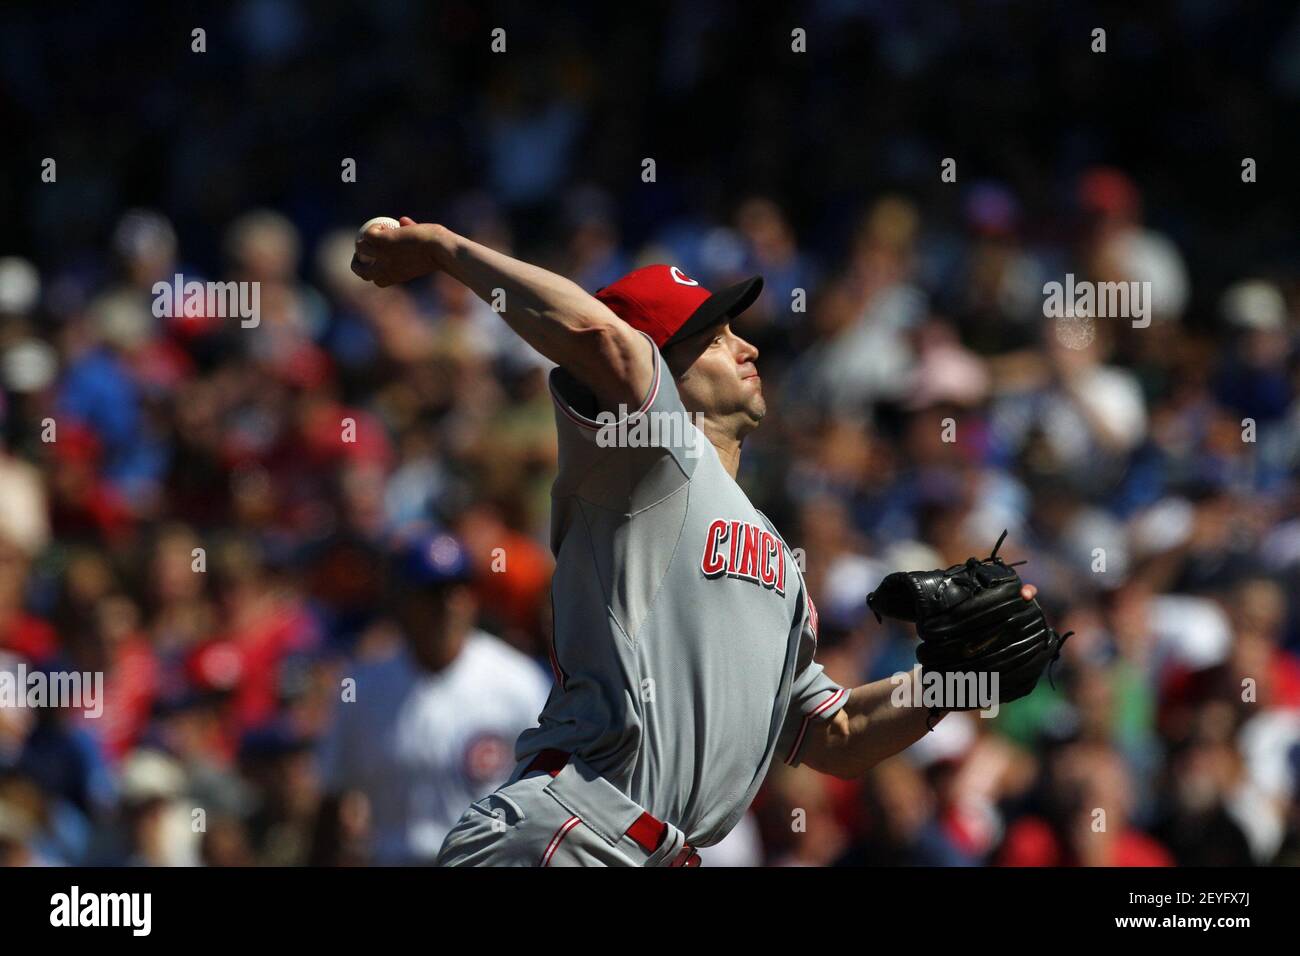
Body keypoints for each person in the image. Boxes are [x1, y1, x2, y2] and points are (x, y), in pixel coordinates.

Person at [350, 218, 1039, 867]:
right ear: (660, 371)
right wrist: (444, 249)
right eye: (712, 338)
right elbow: (600, 338)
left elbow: (837, 736)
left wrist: (953, 680)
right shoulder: (646, 455)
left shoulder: (779, 556)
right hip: (570, 829)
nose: (748, 347)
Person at [316, 531, 550, 864]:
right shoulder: (363, 688)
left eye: (458, 590)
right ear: (401, 601)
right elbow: (332, 797)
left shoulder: (517, 681)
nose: (448, 605)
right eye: (432, 593)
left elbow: (551, 791)